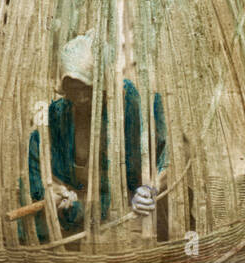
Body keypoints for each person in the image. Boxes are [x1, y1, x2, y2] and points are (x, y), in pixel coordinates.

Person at [19, 34, 169, 244]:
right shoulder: (58, 115)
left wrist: (151, 188)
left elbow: (168, 156)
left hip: (130, 209)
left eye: (87, 89)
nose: (80, 98)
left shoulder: (134, 104)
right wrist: (55, 190)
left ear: (104, 85)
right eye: (73, 90)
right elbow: (37, 163)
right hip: (81, 212)